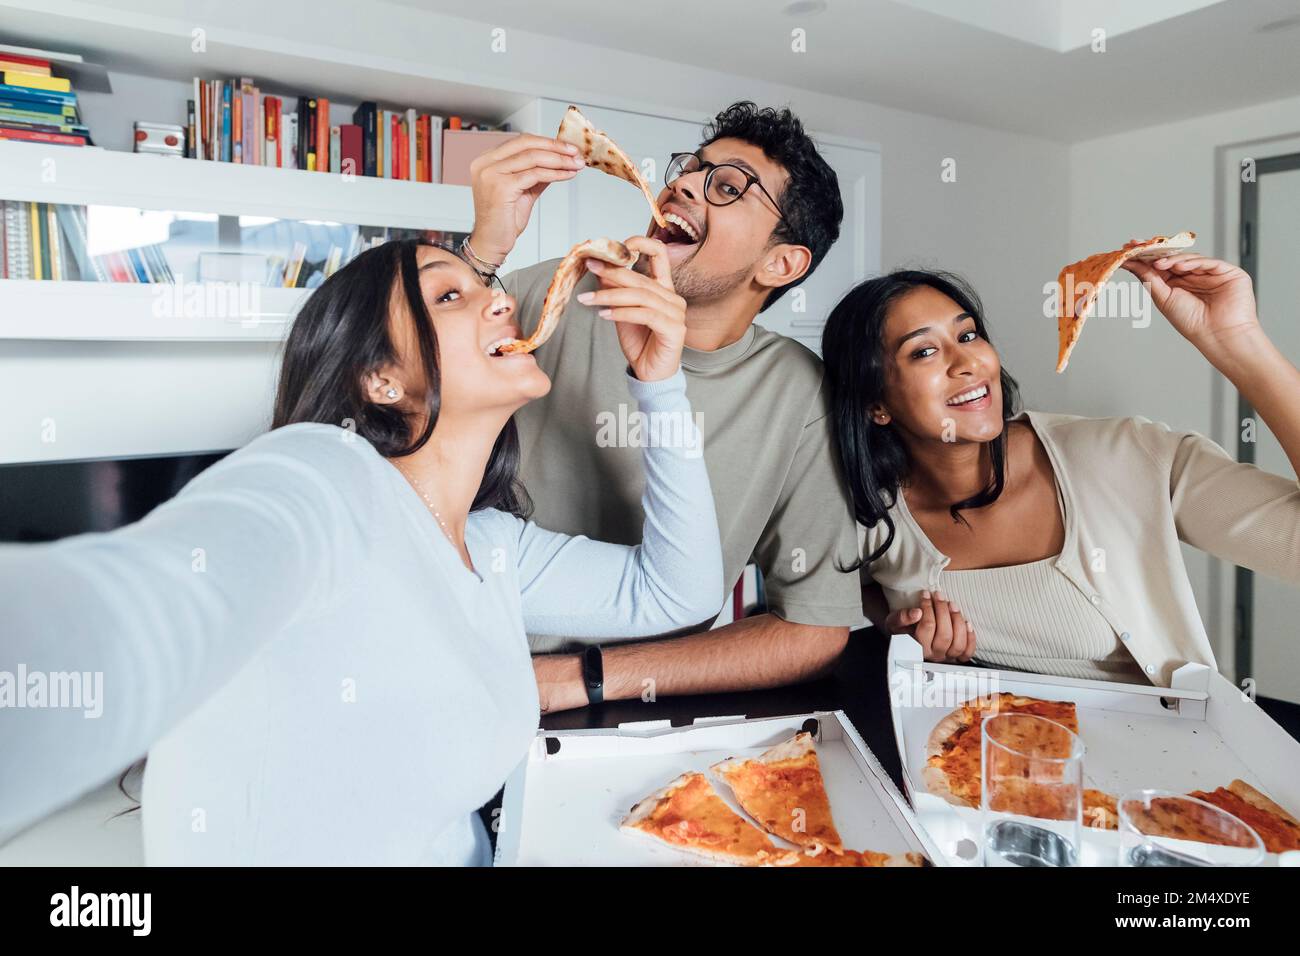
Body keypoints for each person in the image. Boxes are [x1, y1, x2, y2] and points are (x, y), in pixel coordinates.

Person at [0, 238, 723, 864]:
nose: (502, 303)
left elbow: (677, 592)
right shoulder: (327, 477)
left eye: (489, 289)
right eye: (450, 295)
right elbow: (136, 616)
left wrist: (659, 385)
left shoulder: (494, 545)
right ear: (382, 380)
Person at [463, 102, 864, 713]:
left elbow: (813, 626)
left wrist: (582, 678)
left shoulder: (800, 393)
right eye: (692, 169)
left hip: (650, 708)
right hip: (473, 677)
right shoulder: (555, 290)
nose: (680, 184)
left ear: (780, 263)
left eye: (728, 187)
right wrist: (480, 255)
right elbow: (384, 392)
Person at [821, 254, 1300, 684]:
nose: (968, 361)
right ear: (875, 403)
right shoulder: (867, 509)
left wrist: (1238, 341)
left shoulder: (1127, 456)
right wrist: (904, 633)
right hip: (990, 764)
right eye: (924, 351)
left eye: (968, 335)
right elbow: (860, 588)